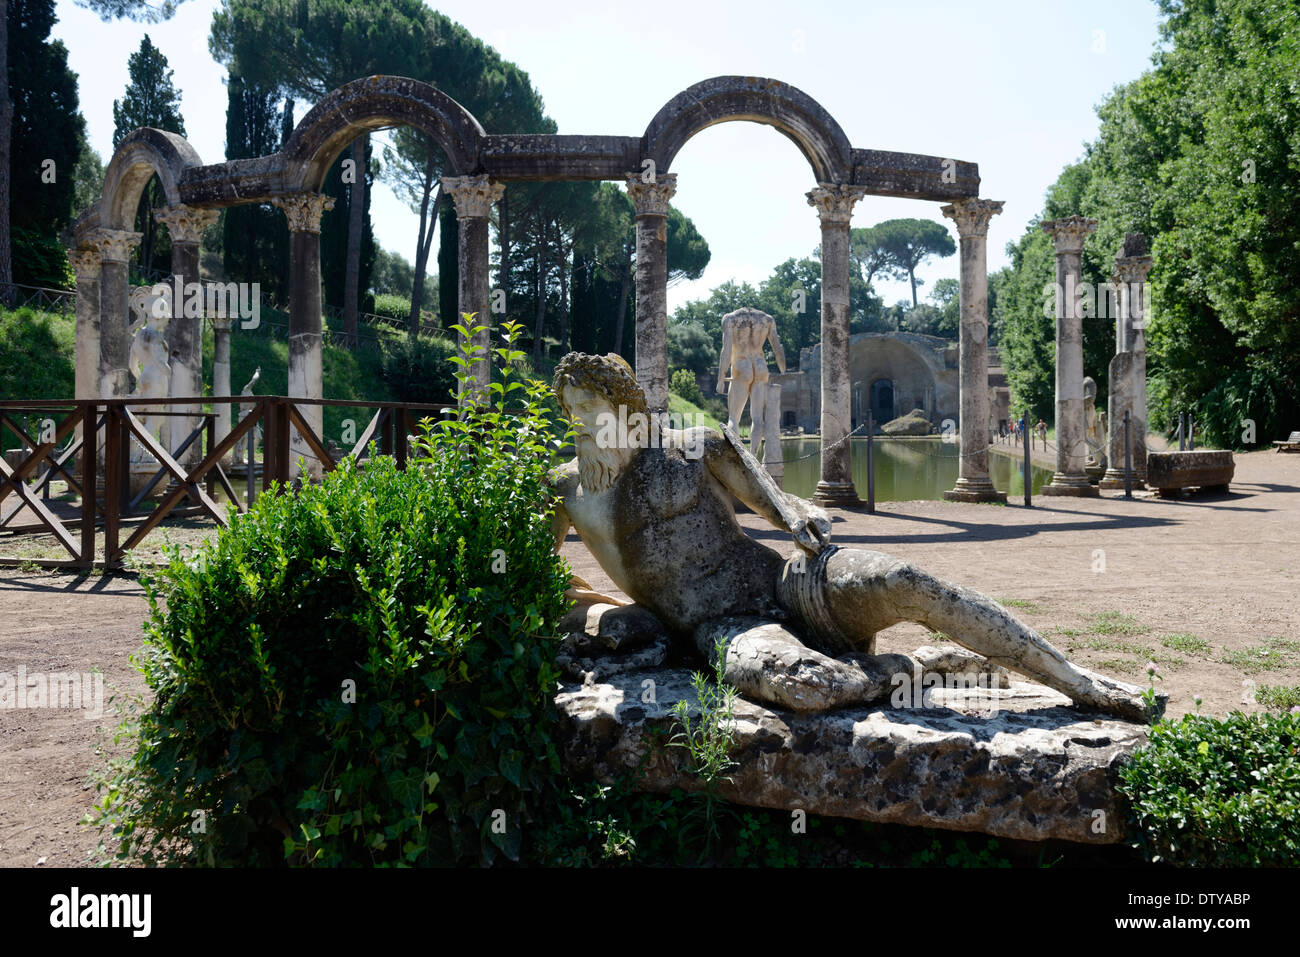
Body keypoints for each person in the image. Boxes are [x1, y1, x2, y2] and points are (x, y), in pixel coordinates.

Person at [548, 351, 1155, 720]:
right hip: (724, 628)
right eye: (571, 409)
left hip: (785, 582)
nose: (581, 421)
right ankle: (910, 670)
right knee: (808, 686)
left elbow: (779, 503)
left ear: (625, 407)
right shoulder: (566, 490)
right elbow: (547, 574)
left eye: (591, 406)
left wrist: (798, 518)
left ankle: (1080, 682)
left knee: (905, 578)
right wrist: (605, 618)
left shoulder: (693, 444)